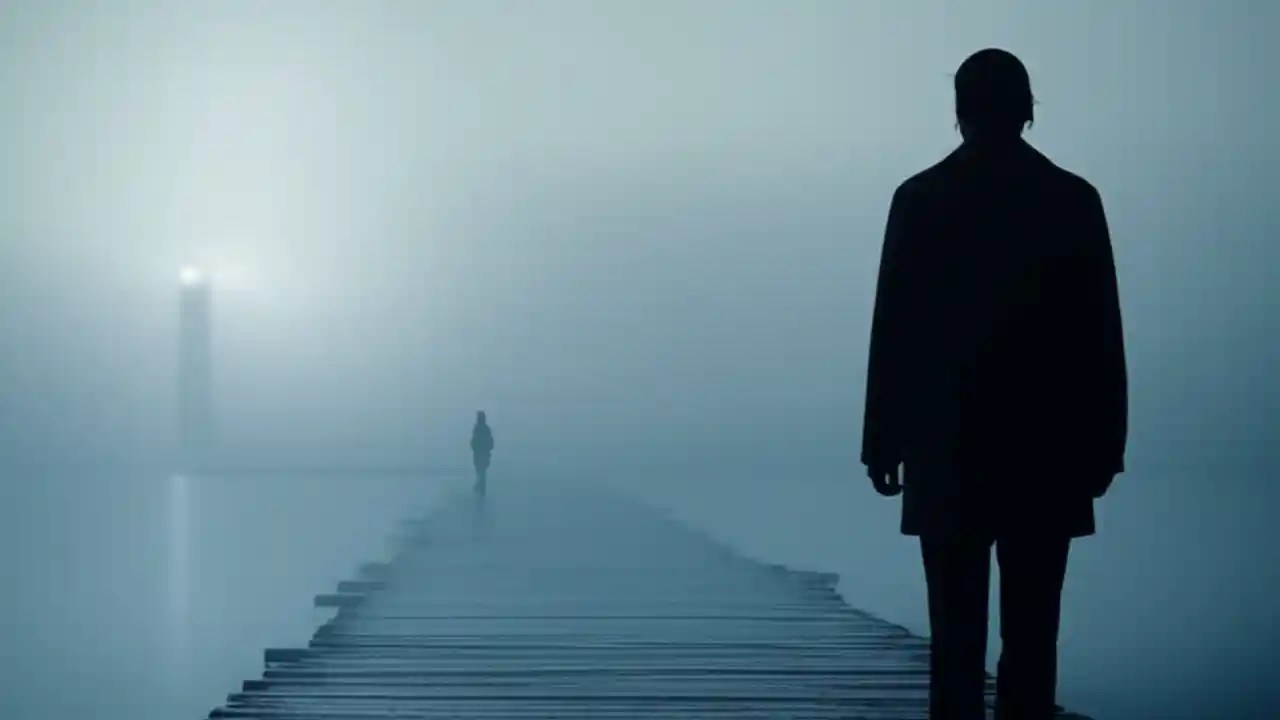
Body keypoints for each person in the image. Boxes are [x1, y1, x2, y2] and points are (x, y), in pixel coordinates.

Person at [862, 48, 1127, 720]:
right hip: (1048, 450)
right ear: (1028, 107)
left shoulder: (919, 198)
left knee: (954, 638)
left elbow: (895, 328)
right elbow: (1100, 332)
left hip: (945, 447)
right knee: (1032, 635)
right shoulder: (1073, 199)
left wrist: (881, 438)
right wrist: (1107, 444)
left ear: (960, 111)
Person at [470, 411, 494, 495]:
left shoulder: (477, 428)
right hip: (483, 452)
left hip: (479, 452)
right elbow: (490, 441)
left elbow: (473, 441)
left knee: (480, 470)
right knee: (482, 471)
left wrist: (474, 447)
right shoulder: (486, 428)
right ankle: (480, 487)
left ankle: (479, 486)